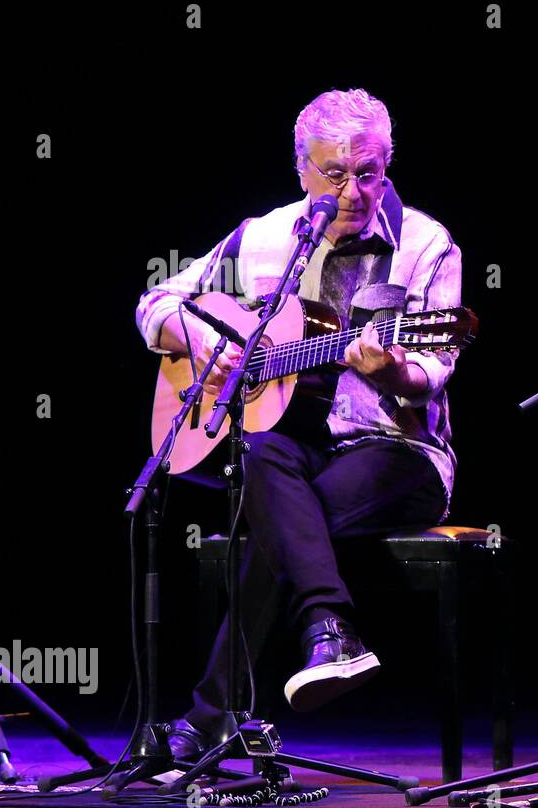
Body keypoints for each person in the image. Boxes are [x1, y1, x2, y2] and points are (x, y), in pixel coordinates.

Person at [135, 88, 462, 759]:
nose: (354, 190)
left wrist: (389, 369)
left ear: (387, 166)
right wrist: (201, 342)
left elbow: (434, 366)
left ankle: (208, 717)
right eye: (335, 174)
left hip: (398, 451)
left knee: (279, 524)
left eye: (368, 172)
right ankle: (329, 632)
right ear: (302, 171)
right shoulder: (260, 238)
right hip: (297, 450)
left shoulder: (427, 244)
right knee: (260, 454)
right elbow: (156, 304)